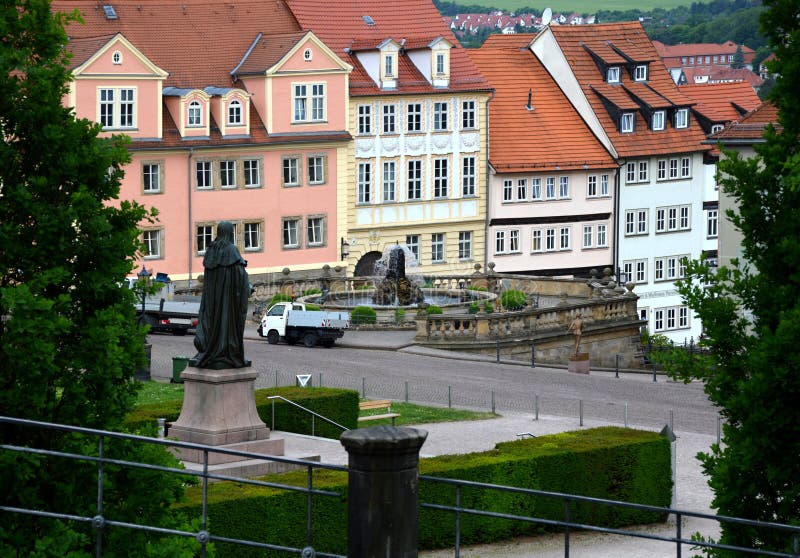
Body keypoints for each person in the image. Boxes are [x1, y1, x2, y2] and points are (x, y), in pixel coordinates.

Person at [190, 221, 251, 369]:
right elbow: (240, 276)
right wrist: (247, 287)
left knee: (210, 322)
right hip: (228, 301)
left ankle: (210, 351)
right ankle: (225, 352)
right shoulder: (231, 250)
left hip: (211, 301)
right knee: (226, 325)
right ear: (230, 233)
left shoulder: (210, 251)